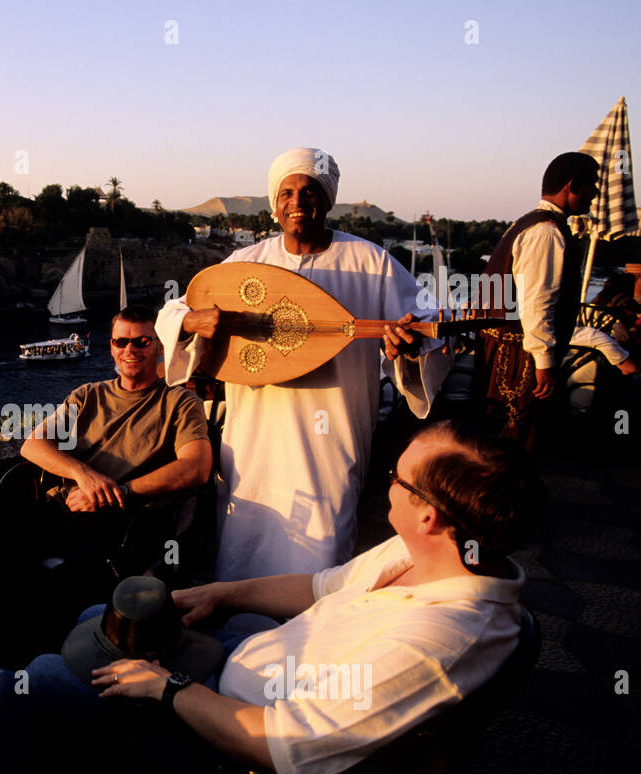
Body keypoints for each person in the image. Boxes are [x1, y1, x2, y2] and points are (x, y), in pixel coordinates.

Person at [83, 420, 543, 774]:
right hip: (242, 674)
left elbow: (285, 745)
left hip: (242, 767)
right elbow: (324, 587)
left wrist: (169, 687)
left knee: (39, 681)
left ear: (429, 515)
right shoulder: (432, 552)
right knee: (97, 620)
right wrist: (221, 594)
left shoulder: (442, 641)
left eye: (397, 480)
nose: (388, 488)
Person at [156, 146, 449, 583]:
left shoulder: (371, 263)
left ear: (328, 199)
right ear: (274, 204)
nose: (298, 201)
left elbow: (429, 325)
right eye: (287, 192)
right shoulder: (247, 262)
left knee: (324, 542)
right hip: (256, 431)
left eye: (310, 191)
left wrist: (404, 350)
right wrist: (193, 319)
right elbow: (169, 315)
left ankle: (311, 637)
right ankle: (241, 633)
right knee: (246, 534)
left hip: (334, 432)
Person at [20, 307, 211, 514]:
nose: (129, 350)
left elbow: (196, 467)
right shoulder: (87, 395)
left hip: (123, 520)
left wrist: (116, 493)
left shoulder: (181, 402)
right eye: (120, 342)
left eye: (141, 342)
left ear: (161, 347)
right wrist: (83, 474)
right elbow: (32, 445)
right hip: (66, 506)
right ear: (112, 347)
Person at [475, 152, 600, 446]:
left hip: (505, 348)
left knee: (499, 437)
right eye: (592, 185)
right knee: (516, 437)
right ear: (571, 186)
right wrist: (543, 361)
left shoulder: (527, 223)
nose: (594, 193)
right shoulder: (545, 232)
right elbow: (537, 301)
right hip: (518, 355)